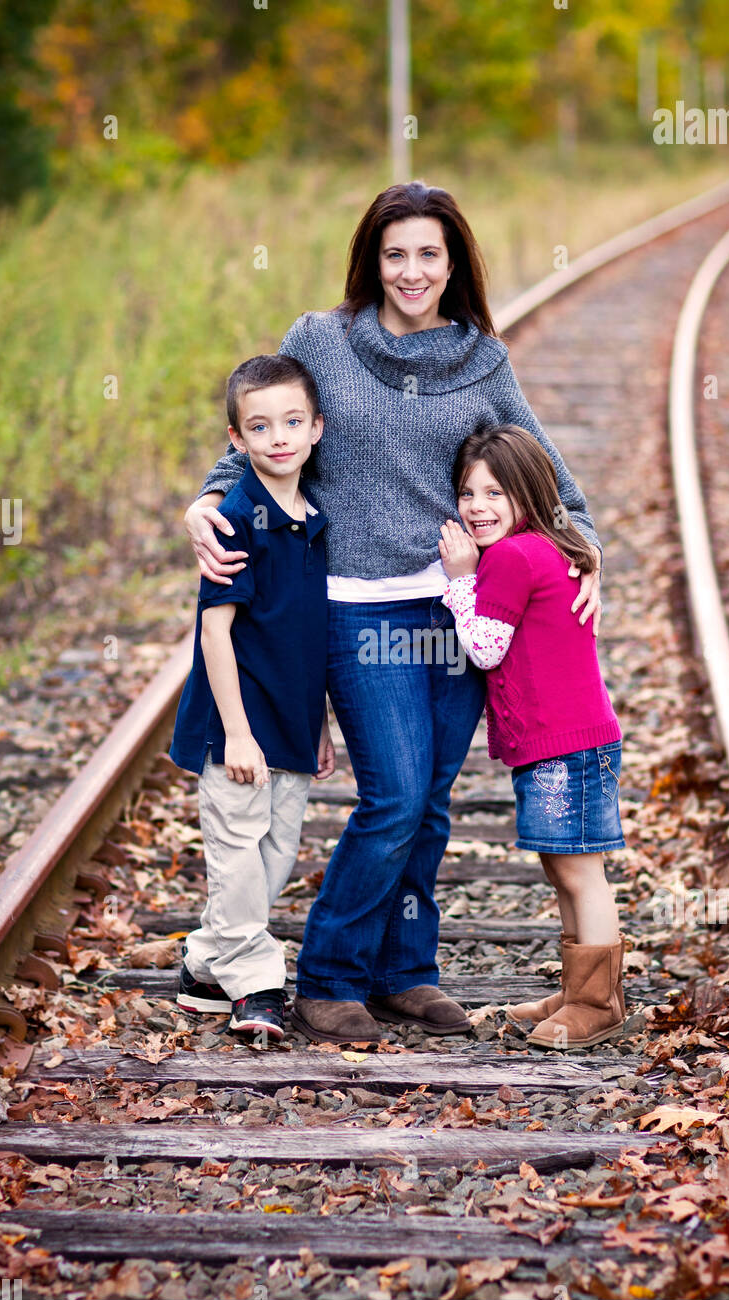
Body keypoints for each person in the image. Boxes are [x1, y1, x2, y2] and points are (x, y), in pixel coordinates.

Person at [183, 181, 605, 1046]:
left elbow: (552, 480)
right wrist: (206, 500)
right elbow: (270, 429)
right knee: (395, 795)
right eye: (395, 254)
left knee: (434, 801)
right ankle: (331, 974)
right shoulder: (322, 340)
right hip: (360, 610)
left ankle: (404, 970)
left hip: (455, 607)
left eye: (429, 254)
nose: (412, 271)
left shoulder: (481, 359)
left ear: (454, 264)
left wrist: (585, 549)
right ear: (371, 261)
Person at [438, 424, 627, 1050]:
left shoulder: (513, 558)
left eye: (495, 492)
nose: (477, 507)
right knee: (566, 868)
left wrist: (461, 578)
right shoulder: (544, 546)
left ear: (528, 494)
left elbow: (486, 649)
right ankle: (580, 990)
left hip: (563, 746)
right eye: (468, 493)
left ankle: (598, 1002)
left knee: (579, 874)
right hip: (567, 741)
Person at [169, 354, 335, 1042]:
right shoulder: (234, 520)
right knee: (238, 848)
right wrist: (237, 732)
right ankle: (257, 986)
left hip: (293, 723)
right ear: (235, 441)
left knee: (276, 851)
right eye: (260, 426)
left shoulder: (316, 517)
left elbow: (309, 635)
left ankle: (205, 964)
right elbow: (214, 632)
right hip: (235, 721)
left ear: (317, 428)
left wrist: (319, 723)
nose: (278, 437)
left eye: (292, 422)